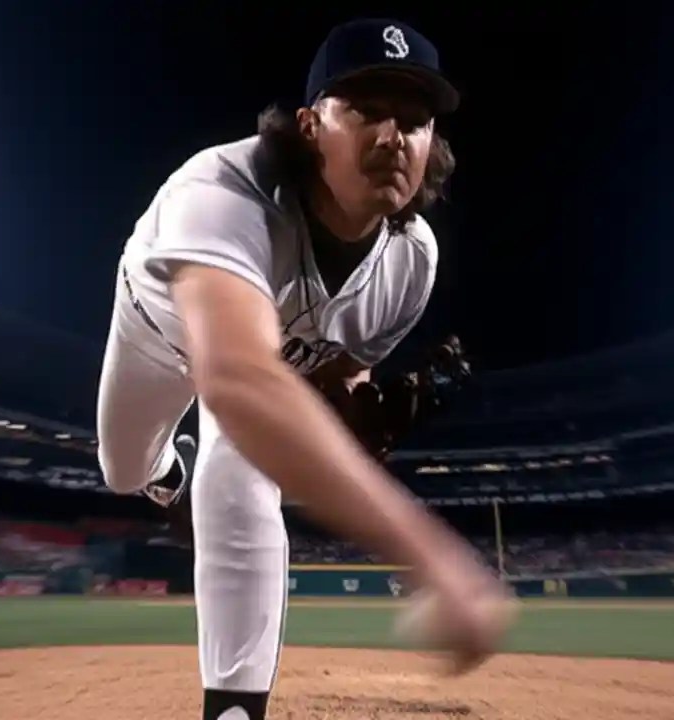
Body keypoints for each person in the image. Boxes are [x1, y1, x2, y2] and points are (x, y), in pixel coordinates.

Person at [94, 17, 514, 720]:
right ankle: (169, 470)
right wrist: (430, 554)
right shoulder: (224, 189)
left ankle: (233, 709)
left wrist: (350, 411)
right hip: (158, 335)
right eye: (366, 109)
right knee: (122, 469)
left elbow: (334, 372)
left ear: (433, 144)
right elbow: (237, 381)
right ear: (310, 125)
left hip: (263, 366)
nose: (392, 136)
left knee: (242, 483)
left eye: (415, 120)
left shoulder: (412, 261)